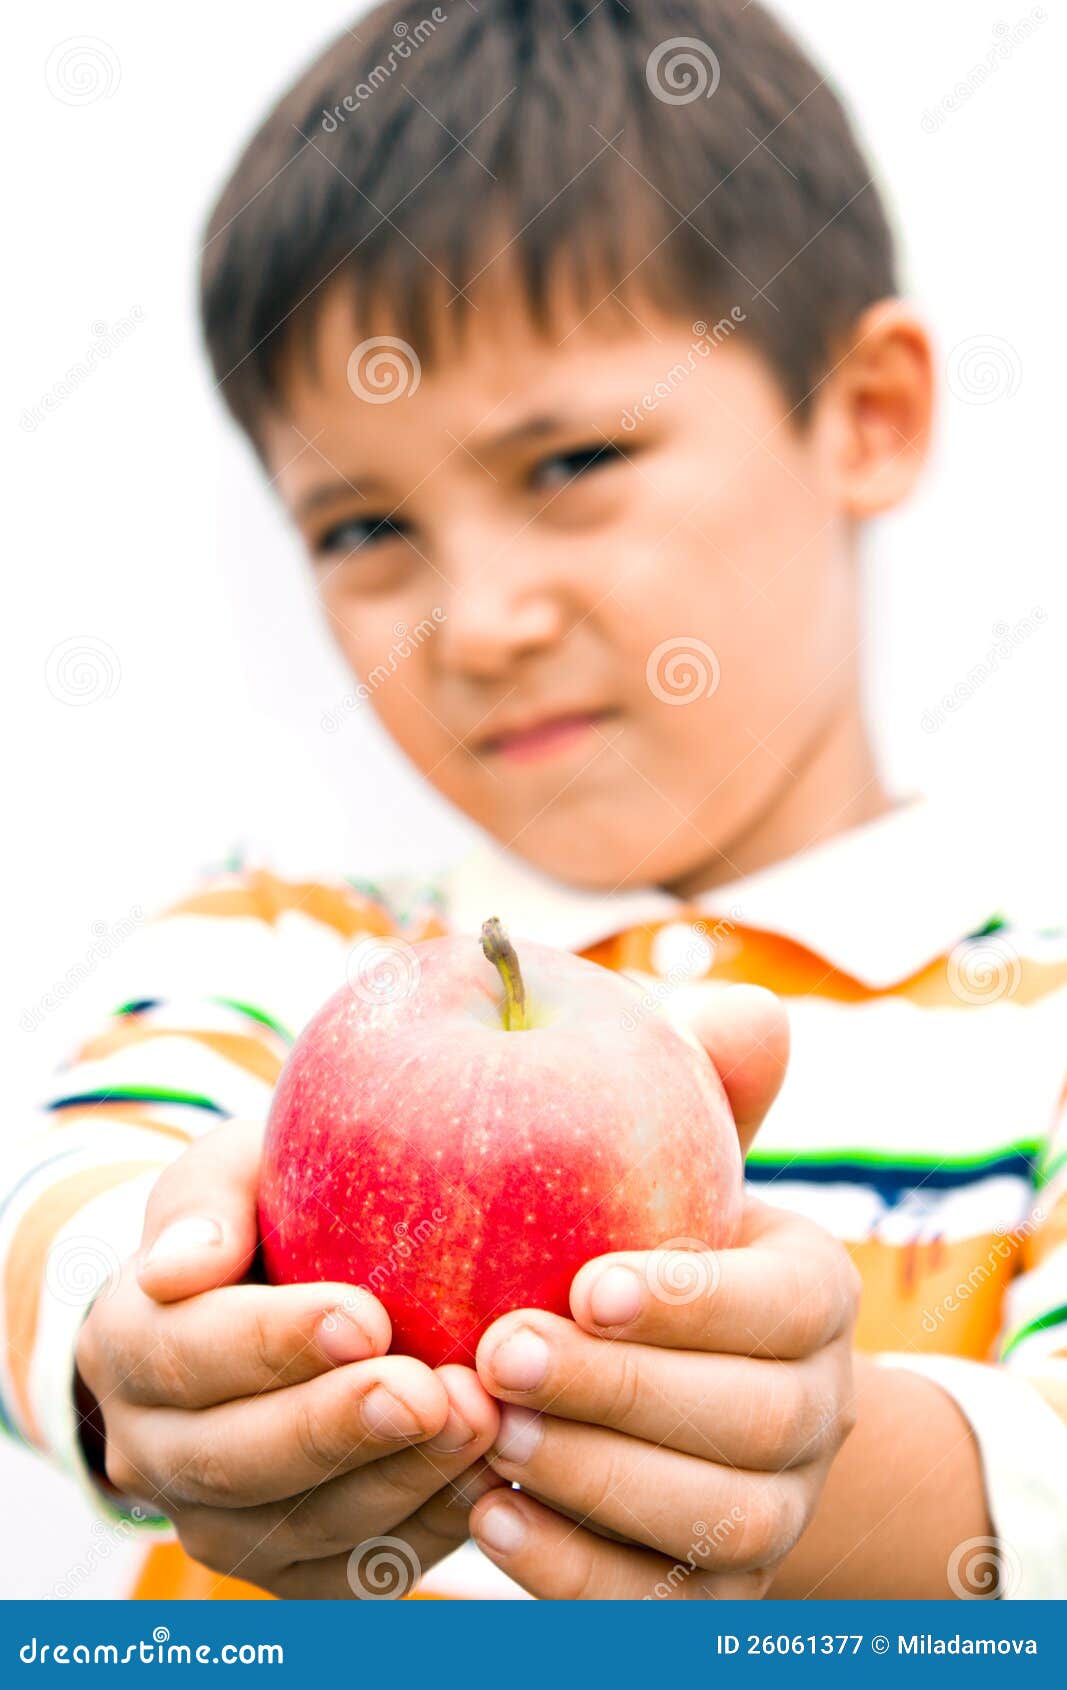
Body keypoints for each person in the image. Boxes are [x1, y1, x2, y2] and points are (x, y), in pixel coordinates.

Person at [7, 0, 1067, 1601]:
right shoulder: (298, 959)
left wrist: (801, 1468)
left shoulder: (1033, 1033)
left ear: (868, 415)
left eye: (571, 463)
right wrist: (142, 1332)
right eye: (365, 529)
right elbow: (65, 1195)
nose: (482, 618)